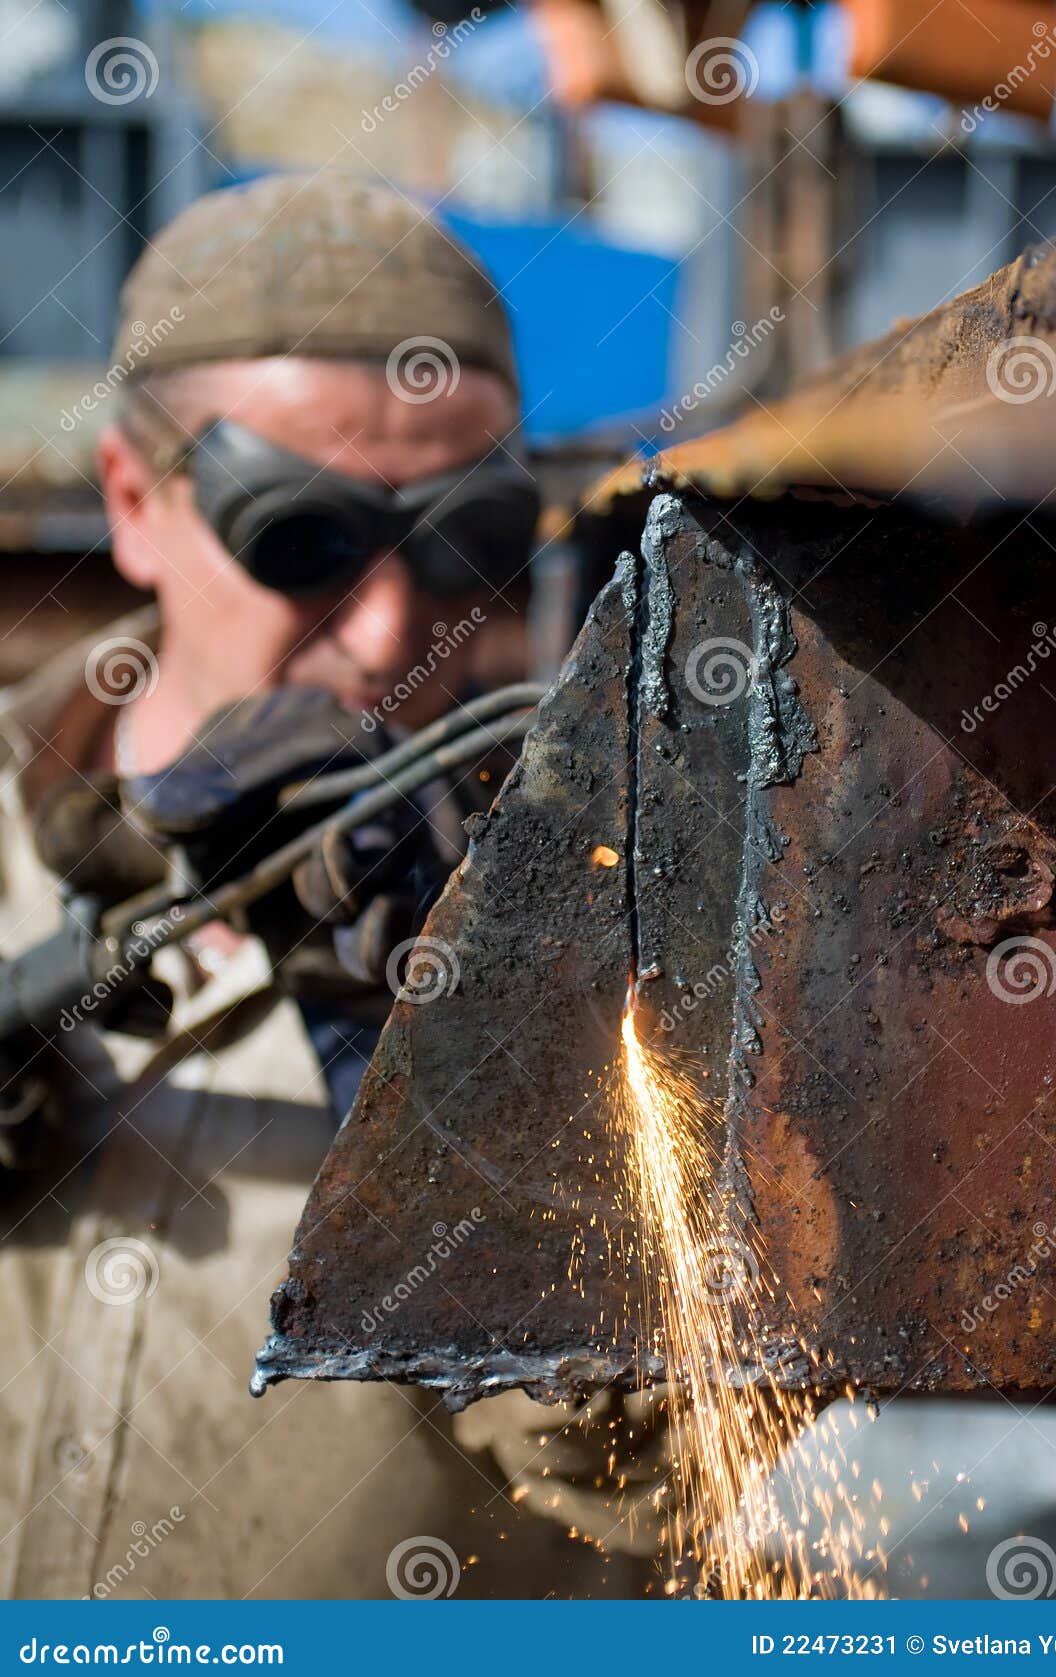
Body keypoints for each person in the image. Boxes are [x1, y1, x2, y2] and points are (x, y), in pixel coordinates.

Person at [0, 173, 664, 1600]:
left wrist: (455, 1081)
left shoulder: (622, 940)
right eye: (301, 534)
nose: (384, 629)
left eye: (460, 542)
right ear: (133, 497)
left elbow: (672, 1494)